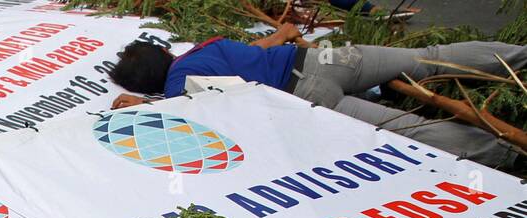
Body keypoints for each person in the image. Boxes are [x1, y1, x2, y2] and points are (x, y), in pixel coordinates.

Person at [109, 27, 527, 167]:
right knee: (428, 58)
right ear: (165, 51)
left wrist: (145, 107)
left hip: (307, 96)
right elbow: (261, 50)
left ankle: (508, 154)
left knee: (409, 130)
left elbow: (190, 112)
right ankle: (517, 56)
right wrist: (286, 33)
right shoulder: (207, 48)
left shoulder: (179, 89)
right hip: (321, 59)